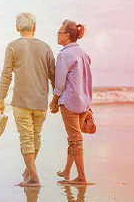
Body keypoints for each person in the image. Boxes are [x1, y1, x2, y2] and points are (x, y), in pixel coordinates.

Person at [0, 12, 55, 187]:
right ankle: (29, 171)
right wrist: (56, 98)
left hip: (21, 101)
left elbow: (6, 74)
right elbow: (53, 75)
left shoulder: (12, 46)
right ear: (34, 27)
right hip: (41, 101)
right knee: (35, 136)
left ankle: (34, 178)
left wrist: (1, 99)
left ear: (17, 28)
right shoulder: (45, 47)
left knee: (26, 138)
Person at [50, 19, 92, 185]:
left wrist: (54, 100)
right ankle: (67, 171)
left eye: (59, 33)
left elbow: (60, 83)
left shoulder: (64, 55)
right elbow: (86, 79)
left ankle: (81, 177)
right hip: (83, 102)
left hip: (69, 102)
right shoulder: (83, 53)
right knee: (74, 138)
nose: (57, 35)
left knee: (75, 140)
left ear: (67, 36)